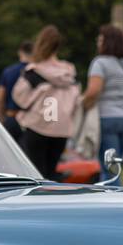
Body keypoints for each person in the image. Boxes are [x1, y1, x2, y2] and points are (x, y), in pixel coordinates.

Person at [12, 25, 80, 180]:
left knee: (36, 175)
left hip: (37, 126)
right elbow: (76, 99)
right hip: (61, 128)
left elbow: (19, 97)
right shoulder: (69, 72)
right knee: (51, 173)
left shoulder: (34, 71)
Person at [82, 24, 123, 174]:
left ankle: (112, 196)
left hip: (108, 116)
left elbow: (93, 91)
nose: (98, 43)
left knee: (109, 168)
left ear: (107, 42)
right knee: (117, 160)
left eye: (100, 40)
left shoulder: (100, 63)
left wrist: (82, 107)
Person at [0, 41, 33, 142]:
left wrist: (1, 118)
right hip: (31, 122)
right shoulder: (37, 72)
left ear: (20, 52)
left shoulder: (8, 71)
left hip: (11, 117)